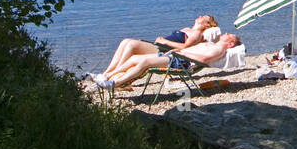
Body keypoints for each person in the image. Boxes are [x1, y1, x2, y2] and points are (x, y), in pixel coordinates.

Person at [91, 33, 242, 90]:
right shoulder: (213, 45)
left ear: (230, 44)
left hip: (182, 62)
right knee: (134, 58)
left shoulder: (219, 50)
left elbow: (202, 59)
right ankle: (108, 77)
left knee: (143, 63)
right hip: (178, 56)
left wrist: (181, 52)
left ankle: (114, 84)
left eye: (230, 35)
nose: (227, 33)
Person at [95, 15, 218, 82]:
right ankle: (107, 73)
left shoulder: (196, 34)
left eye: (204, 17)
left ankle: (115, 77)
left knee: (131, 45)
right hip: (160, 47)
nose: (200, 16)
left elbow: (185, 48)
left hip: (163, 51)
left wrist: (165, 41)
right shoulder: (187, 29)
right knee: (126, 41)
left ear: (207, 24)